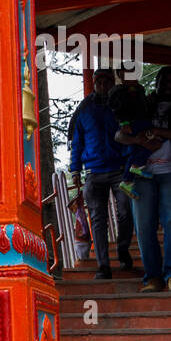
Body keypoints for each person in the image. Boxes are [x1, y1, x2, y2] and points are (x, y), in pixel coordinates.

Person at [116, 66, 171, 292]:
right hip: (141, 173)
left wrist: (159, 132)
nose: (168, 85)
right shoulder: (142, 103)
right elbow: (119, 134)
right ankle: (152, 277)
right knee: (143, 227)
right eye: (163, 81)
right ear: (157, 83)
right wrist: (138, 141)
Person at [69, 68, 133, 278]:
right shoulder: (85, 109)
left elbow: (132, 129)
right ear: (94, 83)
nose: (103, 85)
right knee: (98, 218)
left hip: (119, 169)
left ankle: (123, 251)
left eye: (107, 81)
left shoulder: (120, 104)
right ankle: (103, 265)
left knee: (125, 210)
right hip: (94, 171)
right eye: (99, 81)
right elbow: (77, 141)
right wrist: (75, 168)